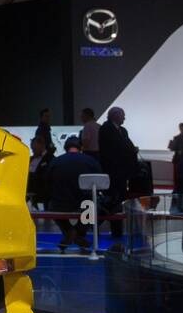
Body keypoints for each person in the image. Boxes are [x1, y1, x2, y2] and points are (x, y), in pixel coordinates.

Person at [47, 136, 103, 252]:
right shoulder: (91, 161)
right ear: (81, 147)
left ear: (65, 147)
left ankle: (70, 232)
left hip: (60, 205)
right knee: (92, 206)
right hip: (85, 205)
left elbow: (46, 183)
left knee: (51, 206)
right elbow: (100, 184)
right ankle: (79, 234)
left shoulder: (55, 162)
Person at [98, 106, 138, 244]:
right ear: (115, 116)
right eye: (123, 115)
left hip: (122, 172)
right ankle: (100, 224)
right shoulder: (105, 129)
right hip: (112, 172)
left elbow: (127, 145)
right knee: (112, 200)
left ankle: (117, 230)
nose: (124, 118)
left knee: (119, 200)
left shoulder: (122, 130)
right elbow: (114, 149)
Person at [27, 136, 54, 210]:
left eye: (35, 148)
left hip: (43, 195)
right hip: (29, 194)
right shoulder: (30, 159)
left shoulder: (50, 159)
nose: (33, 151)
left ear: (42, 145)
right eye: (32, 148)